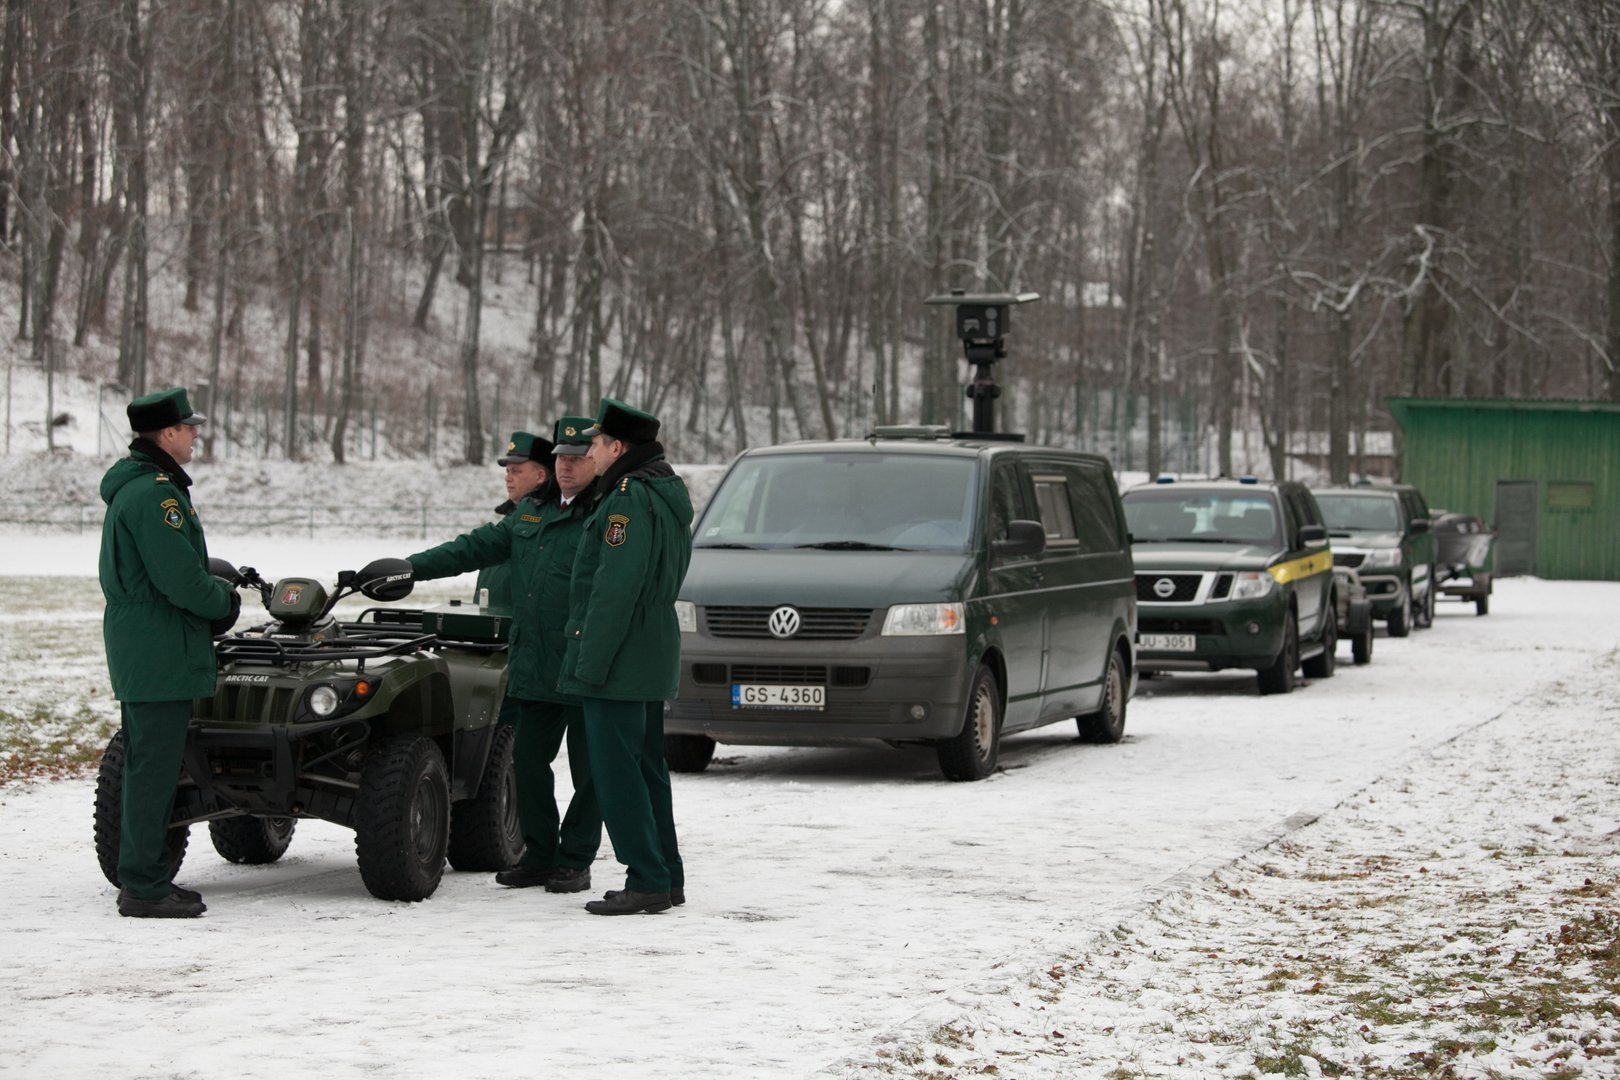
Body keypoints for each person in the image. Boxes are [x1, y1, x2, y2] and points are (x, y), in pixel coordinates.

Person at [404, 424, 604, 892]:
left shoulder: (605, 513)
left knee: (589, 771)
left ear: (595, 460)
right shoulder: (530, 514)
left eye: (577, 457)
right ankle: (539, 854)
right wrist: (411, 568)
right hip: (535, 667)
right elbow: (471, 549)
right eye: (561, 458)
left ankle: (574, 858)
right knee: (528, 765)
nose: (567, 466)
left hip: (582, 666)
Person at [99, 387, 239, 919]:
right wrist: (221, 603)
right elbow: (179, 577)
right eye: (190, 428)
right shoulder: (155, 496)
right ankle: (144, 885)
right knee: (153, 767)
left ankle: (145, 877)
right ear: (167, 434)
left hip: (145, 640)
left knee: (146, 763)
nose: (196, 435)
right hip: (160, 642)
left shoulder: (139, 488)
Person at [559, 398, 693, 915]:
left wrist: (589, 663)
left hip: (620, 654)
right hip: (649, 645)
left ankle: (647, 879)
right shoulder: (663, 489)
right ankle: (664, 873)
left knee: (618, 775)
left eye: (594, 444)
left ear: (618, 448)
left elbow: (613, 590)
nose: (588, 452)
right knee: (647, 770)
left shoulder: (627, 500)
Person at [474, 432, 553, 612]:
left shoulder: (549, 523)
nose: (507, 477)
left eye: (516, 471)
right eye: (508, 471)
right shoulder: (510, 518)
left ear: (540, 476)